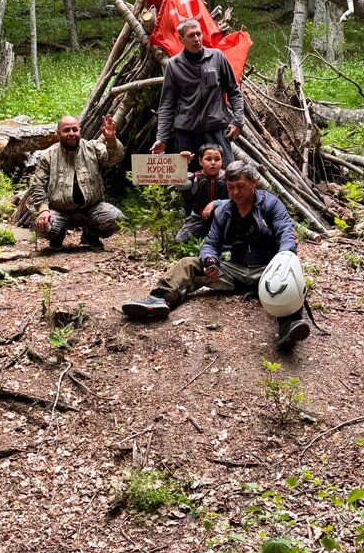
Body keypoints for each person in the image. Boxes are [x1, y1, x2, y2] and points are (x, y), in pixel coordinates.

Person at [122, 160, 310, 352]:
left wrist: (286, 255)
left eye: (241, 186)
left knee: (289, 280)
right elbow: (212, 242)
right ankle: (160, 299)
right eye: (231, 187)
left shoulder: (271, 204)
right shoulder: (224, 211)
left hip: (267, 270)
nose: (235, 192)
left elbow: (285, 231)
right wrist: (209, 260)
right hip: (234, 269)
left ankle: (290, 325)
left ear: (253, 183)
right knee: (189, 263)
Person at [151, 18, 243, 172]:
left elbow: (234, 91)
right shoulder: (174, 65)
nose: (196, 39)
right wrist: (162, 138)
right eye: (191, 35)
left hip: (216, 131)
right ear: (181, 39)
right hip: (187, 135)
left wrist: (238, 121)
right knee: (188, 183)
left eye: (198, 34)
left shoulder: (217, 57)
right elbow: (167, 105)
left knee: (226, 177)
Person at [32, 114, 125, 251]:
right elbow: (38, 186)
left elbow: (115, 158)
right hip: (59, 210)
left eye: (74, 129)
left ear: (79, 130)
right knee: (43, 226)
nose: (71, 134)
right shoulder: (48, 156)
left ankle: (91, 235)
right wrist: (43, 210)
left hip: (91, 209)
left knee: (116, 218)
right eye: (66, 130)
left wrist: (111, 140)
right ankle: (57, 235)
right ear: (58, 133)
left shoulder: (93, 148)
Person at [175, 144, 228, 242]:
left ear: (222, 161)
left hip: (223, 218)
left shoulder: (229, 178)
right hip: (198, 218)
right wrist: (183, 163)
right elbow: (180, 185)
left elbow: (235, 200)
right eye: (208, 159)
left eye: (217, 159)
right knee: (181, 240)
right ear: (200, 161)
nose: (213, 163)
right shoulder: (195, 178)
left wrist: (215, 203)